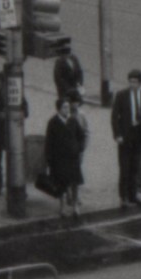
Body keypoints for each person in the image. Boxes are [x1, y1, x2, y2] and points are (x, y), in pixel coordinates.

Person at [110, 67, 141, 207]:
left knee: (135, 167)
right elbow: (115, 116)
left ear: (140, 83)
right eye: (130, 81)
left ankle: (133, 195)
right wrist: (117, 135)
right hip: (126, 135)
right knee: (125, 167)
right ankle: (123, 197)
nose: (132, 84)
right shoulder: (121, 95)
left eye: (135, 82)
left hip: (138, 134)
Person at [45, 94, 86, 222]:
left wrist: (79, 148)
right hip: (59, 159)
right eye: (64, 107)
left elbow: (81, 136)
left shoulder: (73, 120)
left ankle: (75, 207)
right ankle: (62, 207)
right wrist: (49, 159)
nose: (66, 109)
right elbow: (49, 142)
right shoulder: (53, 122)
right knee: (61, 184)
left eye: (68, 107)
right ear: (58, 109)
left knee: (75, 183)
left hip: (72, 158)